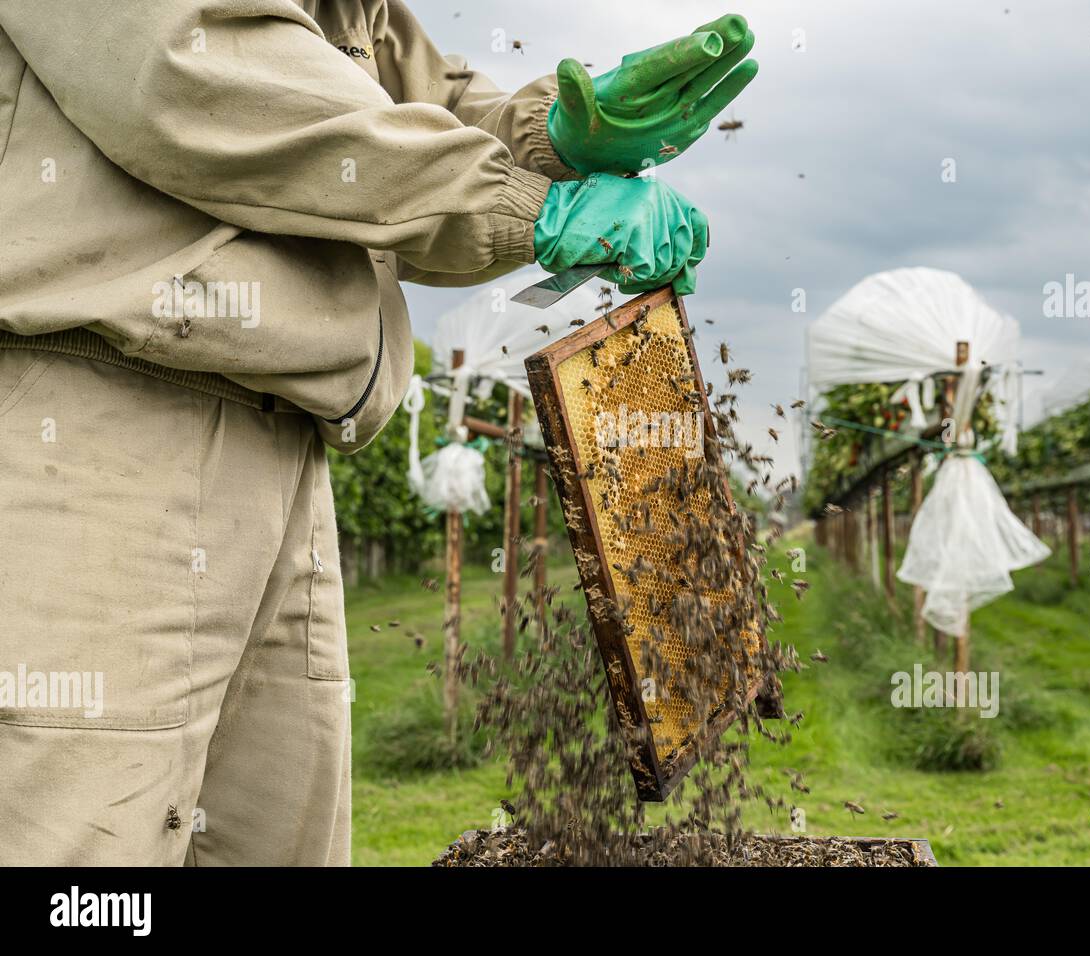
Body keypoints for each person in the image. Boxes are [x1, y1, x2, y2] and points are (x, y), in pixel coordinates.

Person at [0, 0, 756, 865]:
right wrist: (523, 202)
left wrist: (553, 136)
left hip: (296, 442)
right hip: (102, 434)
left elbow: (402, 102)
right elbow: (202, 72)